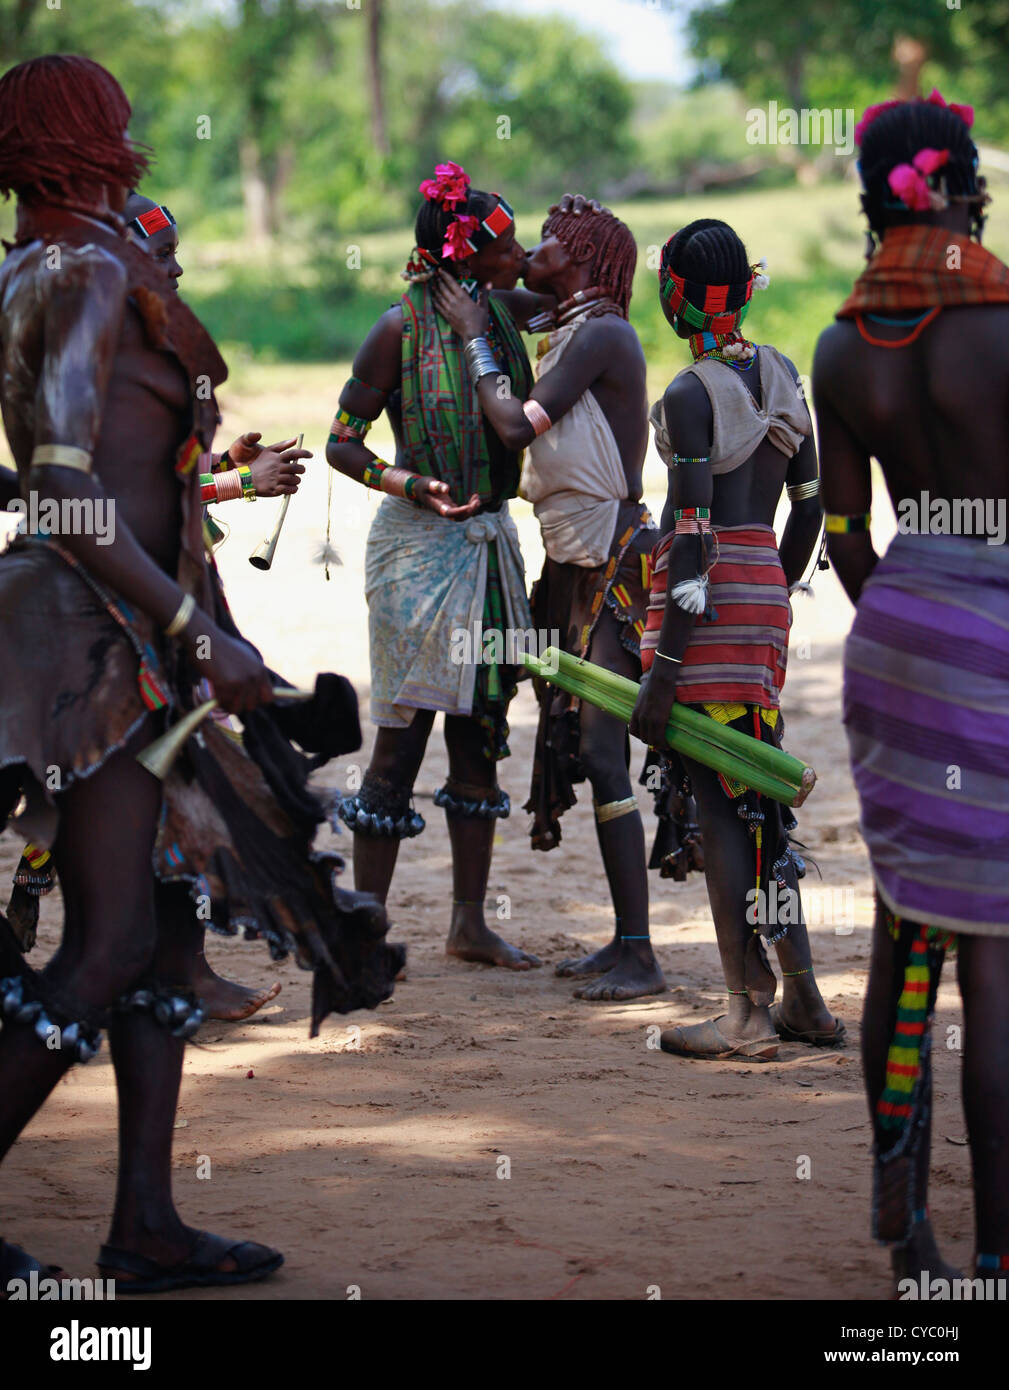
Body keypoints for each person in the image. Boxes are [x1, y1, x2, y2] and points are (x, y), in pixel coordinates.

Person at [0, 54, 401, 1295]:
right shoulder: (84, 269)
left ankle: (147, 1226)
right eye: (115, 116)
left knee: (167, 930)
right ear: (86, 135)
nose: (136, 132)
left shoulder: (38, 263)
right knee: (112, 936)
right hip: (97, 641)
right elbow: (67, 492)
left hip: (113, 629)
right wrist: (191, 631)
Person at [5, 190, 312, 1024]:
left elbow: (140, 486)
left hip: (144, 606)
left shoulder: (122, 327)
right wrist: (240, 487)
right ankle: (165, 976)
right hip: (117, 615)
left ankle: (169, 976)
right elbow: (92, 499)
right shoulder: (89, 321)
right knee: (153, 792)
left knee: (155, 792)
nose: (175, 267)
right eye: (164, 251)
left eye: (176, 252)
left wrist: (228, 467)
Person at [812, 90, 1009, 1292]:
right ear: (961, 184)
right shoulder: (1003, 326)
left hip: (894, 633)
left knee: (906, 923)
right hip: (995, 619)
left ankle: (907, 1230)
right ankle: (993, 1253)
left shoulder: (842, 346)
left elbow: (841, 537)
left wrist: (919, 600)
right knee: (992, 948)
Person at [433, 196, 665, 1001]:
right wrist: (458, 253)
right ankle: (624, 942)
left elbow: (511, 426)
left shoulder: (600, 333)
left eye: (549, 240)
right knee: (586, 744)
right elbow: (498, 289)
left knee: (604, 750)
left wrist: (470, 338)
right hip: (572, 560)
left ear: (584, 258)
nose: (533, 247)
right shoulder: (572, 317)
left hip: (608, 561)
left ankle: (639, 950)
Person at [630, 218, 842, 1061]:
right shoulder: (783, 373)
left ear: (675, 297)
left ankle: (743, 1012)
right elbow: (815, 505)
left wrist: (663, 670)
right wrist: (774, 587)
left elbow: (687, 538)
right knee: (757, 792)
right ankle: (805, 1001)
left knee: (722, 809)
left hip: (705, 606)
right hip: (761, 599)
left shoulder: (689, 395)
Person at [327, 160, 540, 972]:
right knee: (400, 739)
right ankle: (364, 927)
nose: (516, 253)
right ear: (464, 255)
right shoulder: (396, 329)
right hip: (418, 553)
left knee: (479, 735)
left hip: (486, 546)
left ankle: (468, 924)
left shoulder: (502, 315)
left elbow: (578, 304)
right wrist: (411, 482)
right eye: (502, 243)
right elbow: (342, 441)